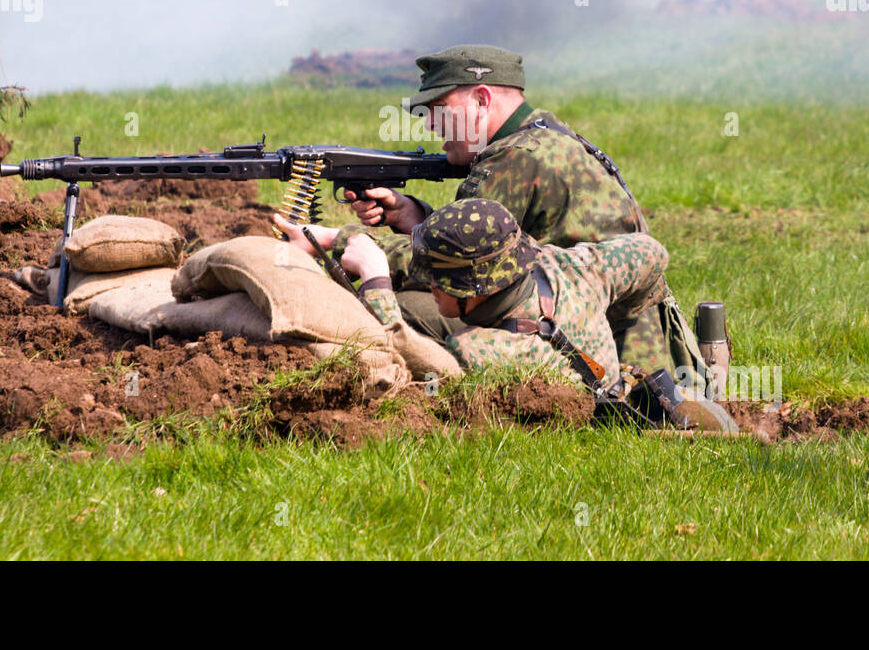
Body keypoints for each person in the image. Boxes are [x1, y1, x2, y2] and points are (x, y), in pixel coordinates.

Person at [343, 43, 713, 390]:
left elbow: (457, 270)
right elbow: (479, 252)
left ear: (481, 99)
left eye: (439, 110)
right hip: (637, 340)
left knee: (405, 305)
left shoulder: (511, 159)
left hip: (608, 358)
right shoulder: (542, 133)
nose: (430, 125)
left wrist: (338, 243)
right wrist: (414, 216)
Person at [271, 200, 736, 432]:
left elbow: (389, 350)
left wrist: (374, 280)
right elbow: (651, 253)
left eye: (438, 281)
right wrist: (620, 313)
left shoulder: (478, 349)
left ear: (474, 292)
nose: (428, 285)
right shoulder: (575, 269)